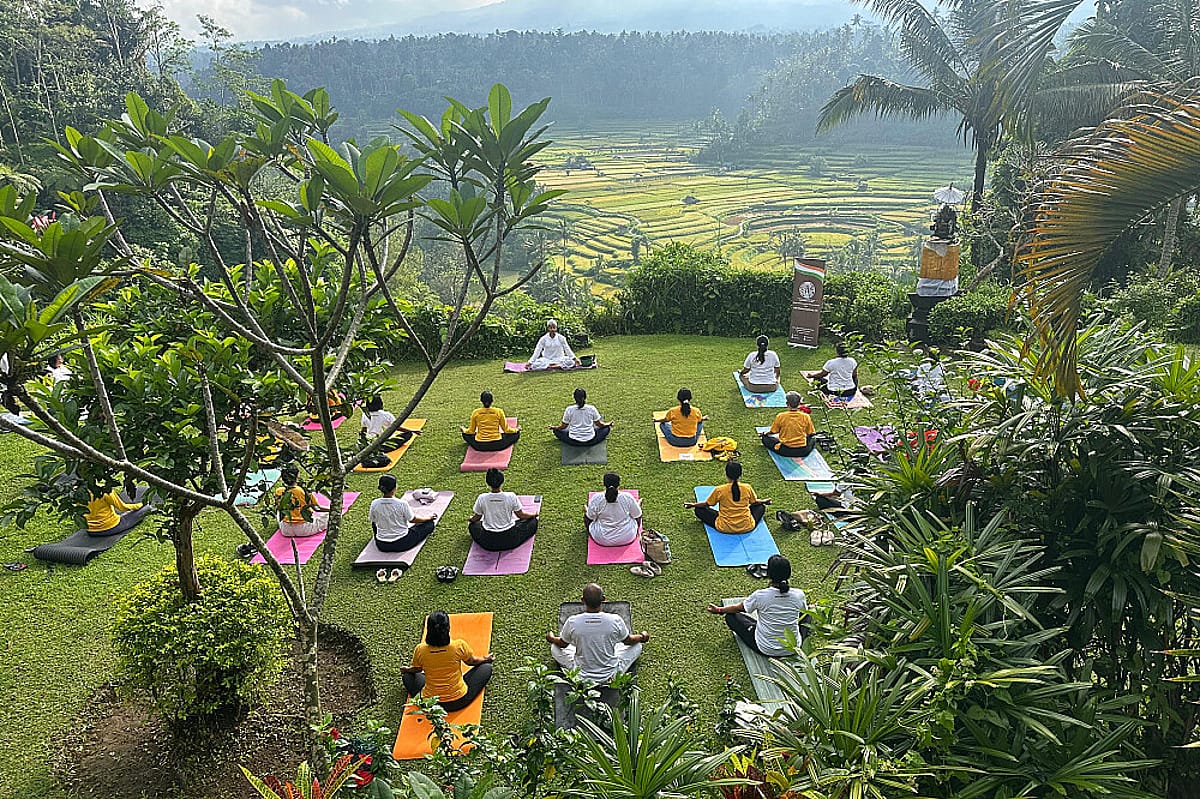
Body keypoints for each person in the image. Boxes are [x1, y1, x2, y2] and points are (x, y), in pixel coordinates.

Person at [706, 555, 808, 657]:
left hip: (766, 648)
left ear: (768, 574)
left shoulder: (760, 596)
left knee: (731, 616)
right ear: (788, 573)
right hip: (793, 648)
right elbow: (803, 611)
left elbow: (738, 608)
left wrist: (719, 610)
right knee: (808, 614)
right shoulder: (799, 595)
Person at [546, 583, 649, 683]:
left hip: (581, 676)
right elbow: (629, 641)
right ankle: (610, 677)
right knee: (637, 646)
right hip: (610, 675)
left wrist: (551, 638)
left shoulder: (573, 621)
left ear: (582, 600)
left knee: (554, 648)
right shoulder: (615, 620)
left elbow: (562, 644)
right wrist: (642, 637)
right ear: (603, 599)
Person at [400, 610, 494, 711]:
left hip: (432, 704)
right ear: (448, 628)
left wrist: (407, 670)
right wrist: (485, 659)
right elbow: (472, 662)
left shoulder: (420, 650)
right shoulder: (458, 646)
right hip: (459, 701)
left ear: (429, 629)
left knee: (407, 676)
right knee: (486, 667)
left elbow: (417, 669)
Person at [684, 460, 771, 533]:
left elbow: (707, 504)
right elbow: (754, 502)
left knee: (699, 510)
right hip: (746, 526)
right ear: (740, 474)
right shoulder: (747, 488)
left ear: (726, 474)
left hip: (724, 527)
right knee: (760, 507)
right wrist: (764, 501)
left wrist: (693, 505)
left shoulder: (720, 490)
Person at [469, 468, 539, 551]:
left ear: (488, 482)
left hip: (488, 542)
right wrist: (533, 515)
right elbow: (521, 515)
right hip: (511, 540)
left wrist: (470, 519)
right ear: (502, 480)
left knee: (472, 526)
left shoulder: (482, 498)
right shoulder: (511, 496)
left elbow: (477, 518)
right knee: (533, 521)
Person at [370, 474, 438, 552]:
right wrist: (429, 518)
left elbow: (373, 520)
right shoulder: (402, 504)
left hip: (382, 545)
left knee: (374, 523)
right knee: (429, 524)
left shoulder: (374, 503)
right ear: (394, 488)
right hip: (402, 543)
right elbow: (413, 519)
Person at [586, 472, 642, 547]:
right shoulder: (627, 497)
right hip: (627, 537)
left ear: (604, 484)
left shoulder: (596, 499)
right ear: (619, 484)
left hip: (602, 539)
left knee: (586, 516)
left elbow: (590, 518)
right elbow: (637, 515)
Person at [274, 464, 327, 538]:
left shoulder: (279, 491)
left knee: (279, 511)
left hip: (286, 530)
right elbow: (317, 508)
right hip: (304, 529)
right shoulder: (303, 491)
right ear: (297, 477)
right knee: (328, 516)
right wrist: (332, 509)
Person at [760, 391, 816, 457]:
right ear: (799, 404)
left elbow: (773, 431)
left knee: (765, 438)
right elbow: (811, 433)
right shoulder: (806, 417)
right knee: (813, 439)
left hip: (785, 450)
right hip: (803, 450)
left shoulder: (781, 416)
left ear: (787, 404)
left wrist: (765, 433)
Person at [85, 488, 152, 536]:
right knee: (147, 507)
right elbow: (123, 507)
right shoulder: (105, 490)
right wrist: (140, 505)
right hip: (109, 527)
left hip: (90, 530)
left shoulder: (78, 492)